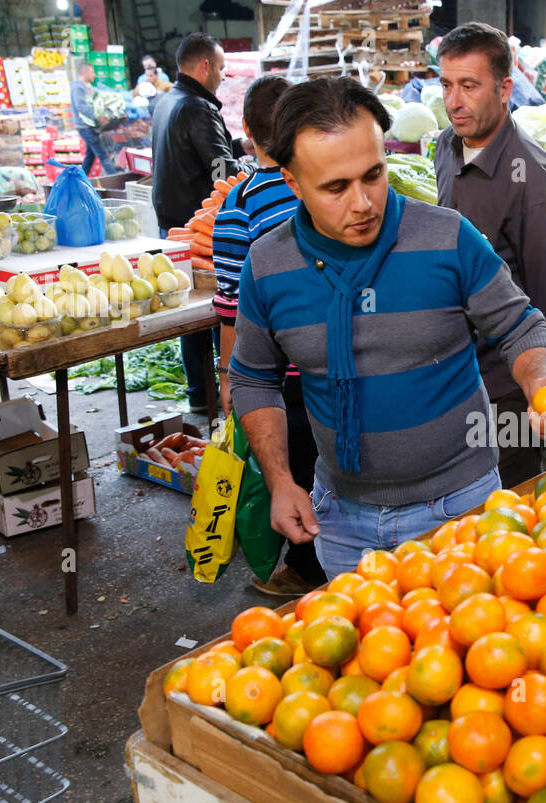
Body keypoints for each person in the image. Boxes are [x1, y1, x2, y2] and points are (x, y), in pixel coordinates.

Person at [228, 77, 546, 578]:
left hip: (459, 509)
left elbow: (520, 326)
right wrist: (281, 480)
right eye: (335, 187)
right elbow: (254, 378)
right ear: (291, 182)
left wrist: (542, 378)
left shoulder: (447, 237)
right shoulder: (268, 265)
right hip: (340, 522)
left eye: (373, 175)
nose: (364, 202)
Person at [433, 22, 546, 489]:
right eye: (447, 85)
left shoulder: (532, 181)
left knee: (504, 513)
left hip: (507, 390)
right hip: (452, 379)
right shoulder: (446, 148)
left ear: (504, 88)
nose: (455, 101)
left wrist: (544, 389)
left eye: (469, 86)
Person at [209, 75, 324, 596]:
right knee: (335, 462)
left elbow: (233, 307)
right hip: (337, 360)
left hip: (284, 377)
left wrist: (229, 378)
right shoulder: (327, 192)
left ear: (248, 133)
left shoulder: (238, 207)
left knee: (296, 469)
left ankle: (308, 568)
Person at [151, 32, 253, 414]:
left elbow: (203, 152)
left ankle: (200, 395)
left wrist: (241, 145)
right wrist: (246, 167)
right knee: (217, 313)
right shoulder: (197, 107)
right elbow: (220, 170)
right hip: (200, 229)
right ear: (205, 66)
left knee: (189, 316)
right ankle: (223, 396)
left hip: (173, 225)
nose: (223, 76)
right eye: (222, 68)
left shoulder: (167, 100)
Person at [70, 62, 119, 176]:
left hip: (90, 126)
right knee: (103, 155)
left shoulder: (87, 86)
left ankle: (79, 179)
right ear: (84, 72)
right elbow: (81, 106)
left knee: (90, 156)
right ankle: (117, 180)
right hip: (85, 126)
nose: (94, 75)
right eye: (92, 72)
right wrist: (97, 116)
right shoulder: (78, 86)